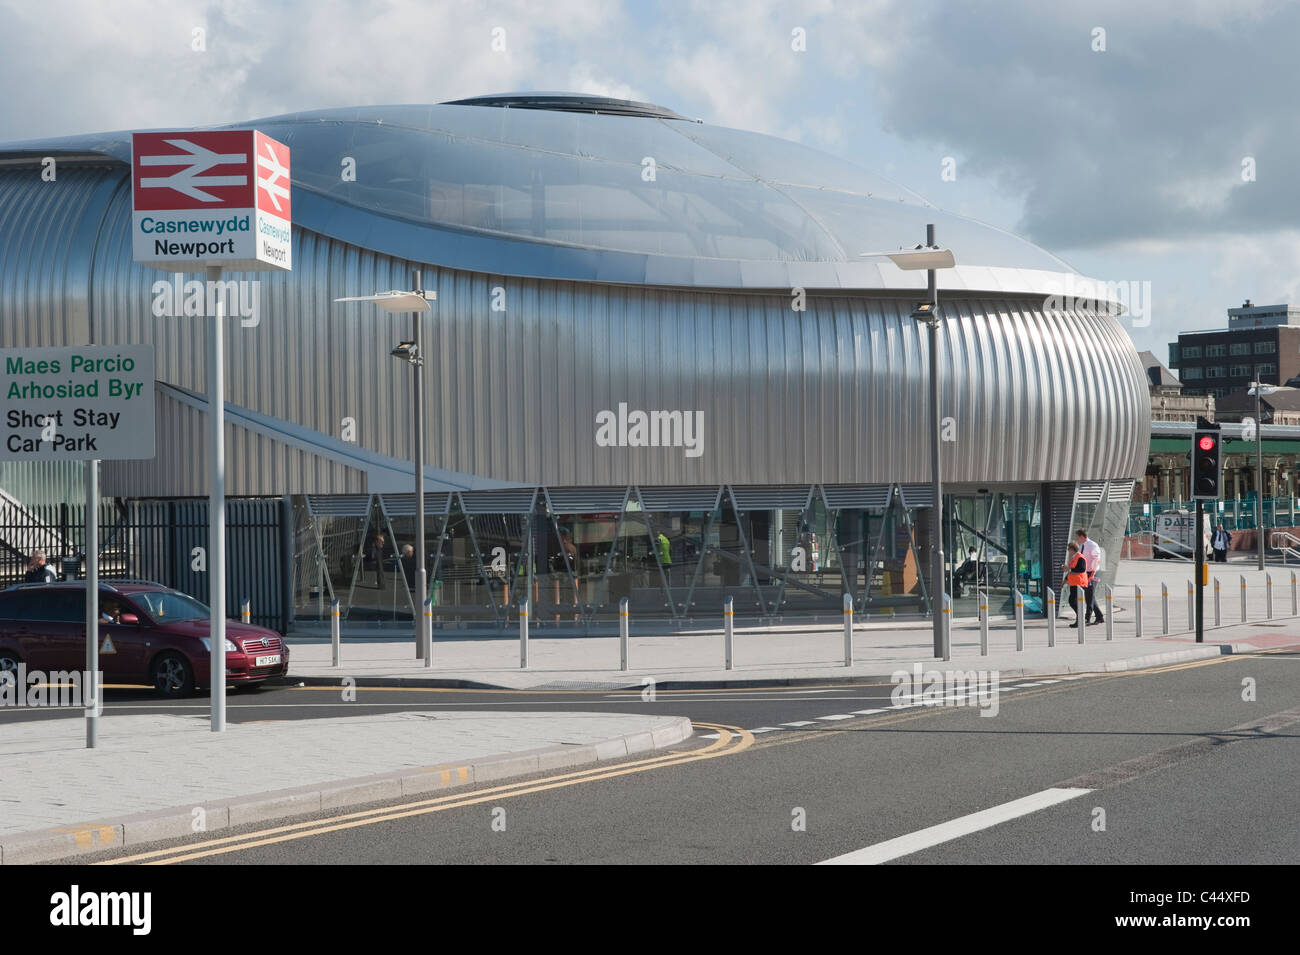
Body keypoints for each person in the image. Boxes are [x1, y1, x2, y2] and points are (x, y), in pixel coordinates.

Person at [1075, 528, 1104, 625]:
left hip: (1092, 572)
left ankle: (1087, 618)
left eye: (1077, 537)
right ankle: (1099, 616)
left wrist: (1092, 574)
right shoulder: (1082, 546)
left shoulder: (1092, 545)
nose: (1077, 539)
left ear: (1082, 536)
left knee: (1089, 596)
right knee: (1089, 595)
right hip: (1085, 573)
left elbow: (1096, 560)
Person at [1063, 542, 1089, 627]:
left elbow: (1081, 569)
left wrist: (1068, 569)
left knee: (1073, 601)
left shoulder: (1080, 557)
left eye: (1069, 549)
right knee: (1073, 601)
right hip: (1074, 583)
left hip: (1079, 583)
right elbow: (1071, 571)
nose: (1068, 551)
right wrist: (1064, 580)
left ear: (1073, 549)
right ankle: (1080, 618)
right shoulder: (1073, 558)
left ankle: (1081, 618)